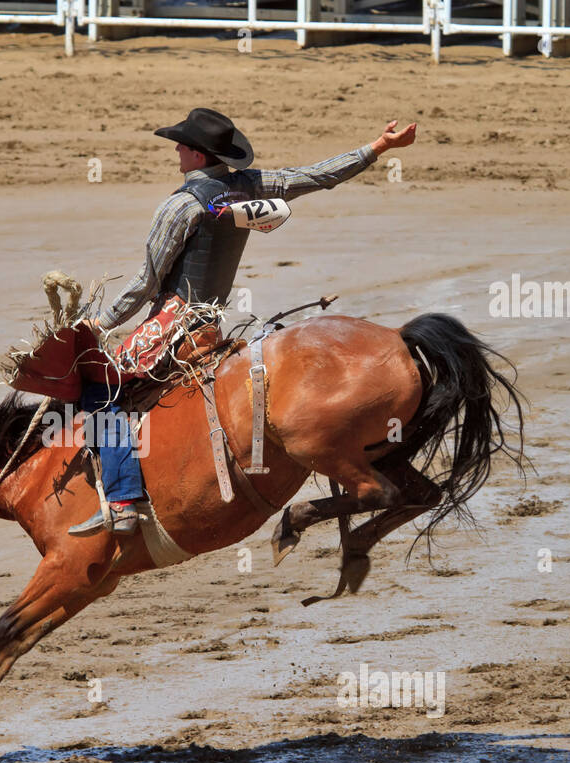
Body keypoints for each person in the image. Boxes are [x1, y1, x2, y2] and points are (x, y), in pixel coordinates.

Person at [67, 107, 418, 537]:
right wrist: (378, 147)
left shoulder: (181, 207)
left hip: (176, 320)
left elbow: (145, 282)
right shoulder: (250, 186)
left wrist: (94, 325)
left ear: (197, 155)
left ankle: (122, 501)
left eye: (182, 144)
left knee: (102, 391)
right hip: (214, 322)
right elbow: (316, 176)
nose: (176, 149)